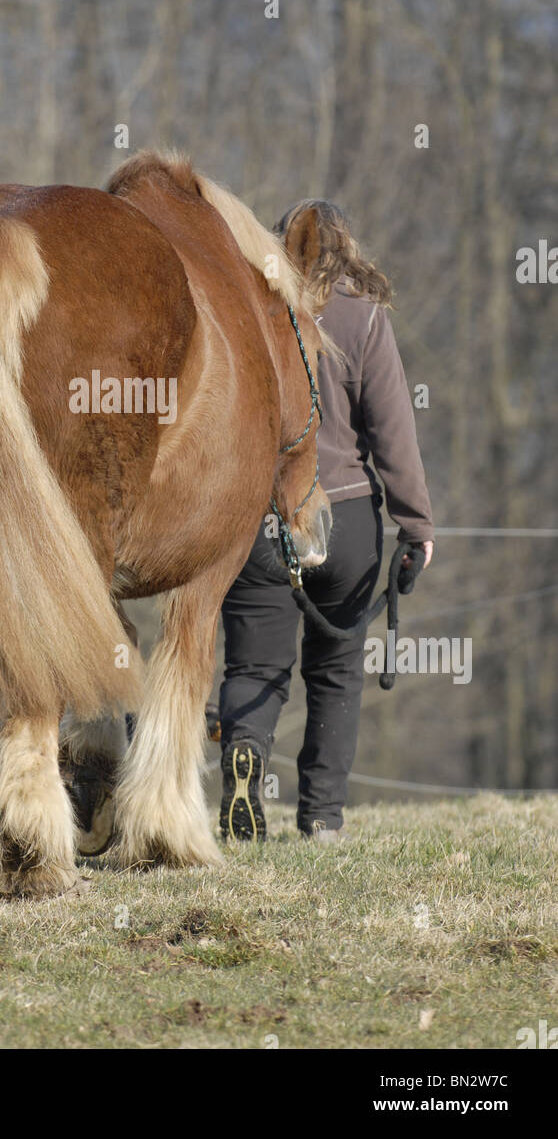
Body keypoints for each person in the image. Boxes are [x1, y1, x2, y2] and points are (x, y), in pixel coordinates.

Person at [218, 200, 434, 843]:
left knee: (253, 669)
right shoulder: (364, 318)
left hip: (261, 521)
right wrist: (416, 526)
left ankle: (245, 769)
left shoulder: (252, 312)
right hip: (346, 523)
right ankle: (321, 819)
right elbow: (394, 433)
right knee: (337, 671)